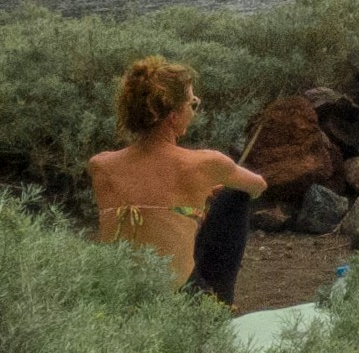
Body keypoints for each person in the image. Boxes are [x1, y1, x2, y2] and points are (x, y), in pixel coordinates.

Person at [88, 55, 261, 299]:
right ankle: (219, 306)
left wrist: (190, 204)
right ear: (173, 115)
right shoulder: (205, 163)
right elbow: (258, 185)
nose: (194, 110)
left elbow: (149, 205)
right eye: (192, 103)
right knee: (235, 195)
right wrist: (206, 192)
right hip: (177, 300)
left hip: (117, 297)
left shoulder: (100, 166)